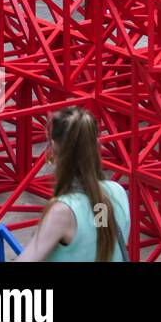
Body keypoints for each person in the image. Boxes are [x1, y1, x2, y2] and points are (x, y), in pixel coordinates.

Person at [15, 106, 131, 262]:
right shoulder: (117, 192)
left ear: (54, 148)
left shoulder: (63, 212)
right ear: (97, 147)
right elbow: (97, 230)